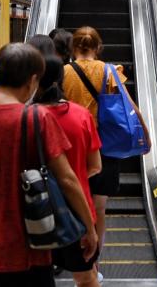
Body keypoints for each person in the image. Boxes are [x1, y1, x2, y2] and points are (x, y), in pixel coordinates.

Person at [0, 43, 98, 287]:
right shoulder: (38, 120)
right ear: (32, 81)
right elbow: (67, 179)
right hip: (28, 254)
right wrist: (89, 228)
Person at [62, 27, 150, 264]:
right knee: (99, 208)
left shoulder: (64, 72)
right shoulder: (110, 72)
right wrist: (145, 134)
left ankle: (71, 256)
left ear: (73, 48)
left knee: (72, 201)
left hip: (72, 143)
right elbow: (126, 104)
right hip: (104, 145)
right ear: (97, 47)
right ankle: (95, 259)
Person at [27, 41, 102, 287]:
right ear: (62, 78)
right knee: (86, 277)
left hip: (34, 209)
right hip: (76, 211)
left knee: (38, 276)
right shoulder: (82, 116)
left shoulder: (25, 117)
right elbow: (96, 166)